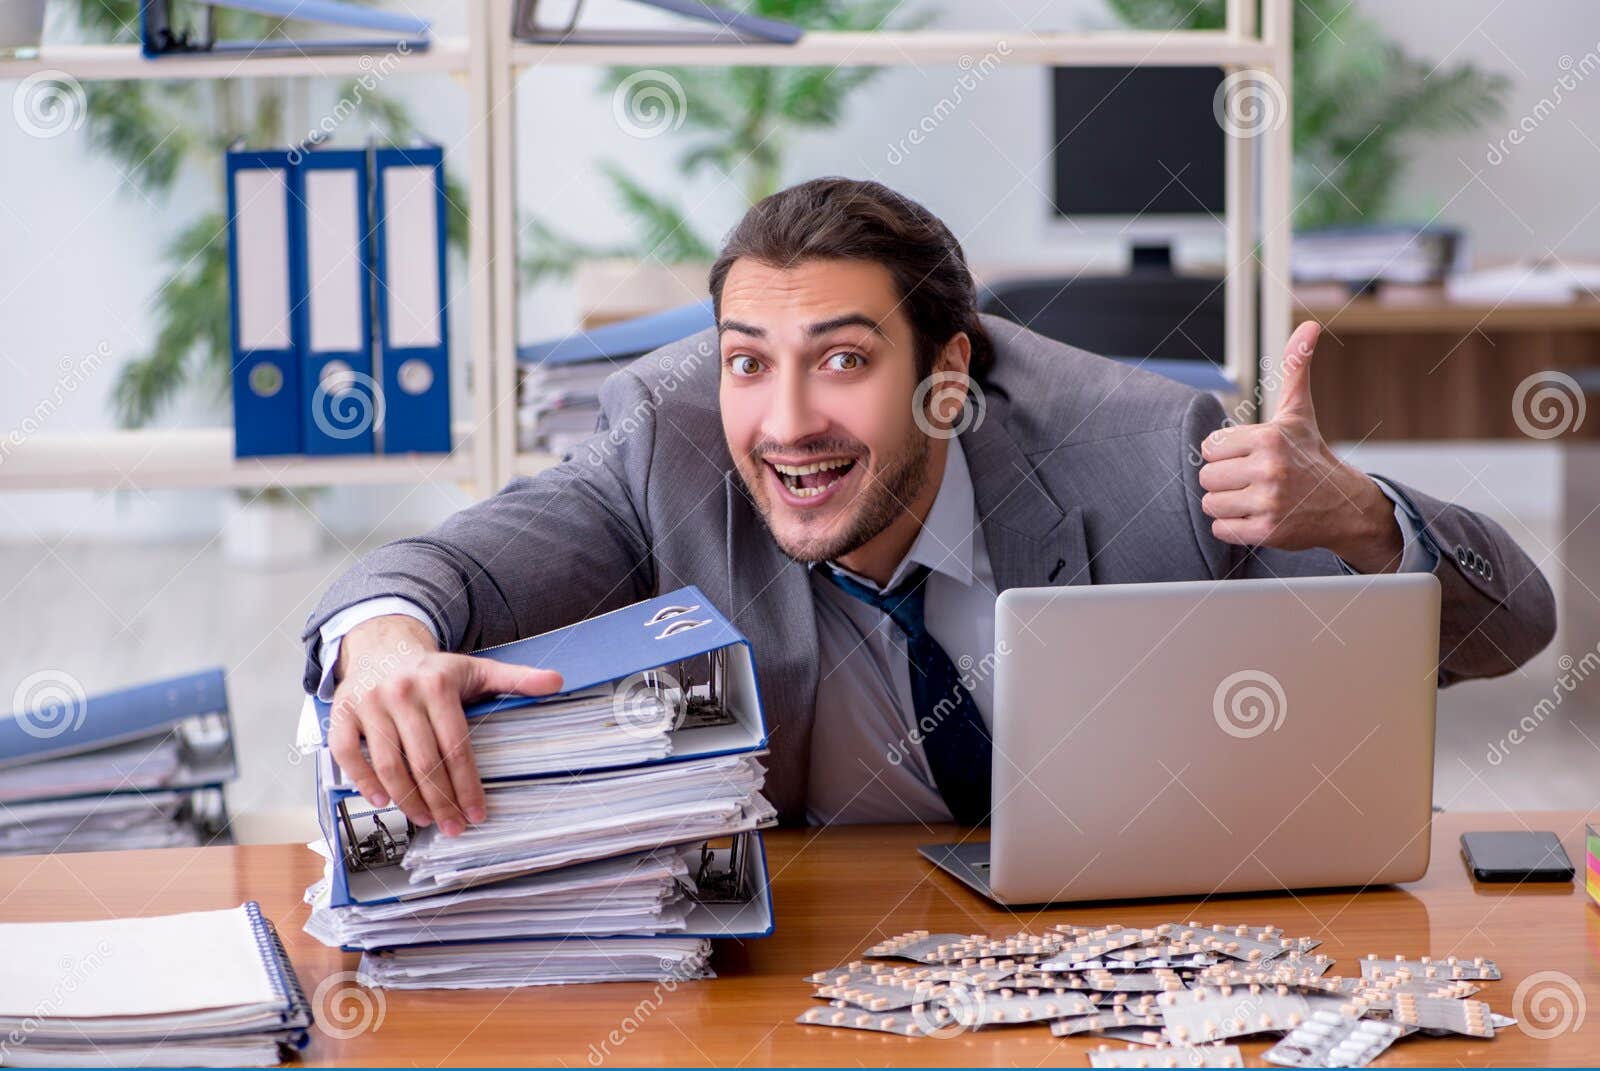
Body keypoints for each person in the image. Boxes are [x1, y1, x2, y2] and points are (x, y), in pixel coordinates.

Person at [302, 177, 1554, 833]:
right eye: (750, 361)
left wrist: (1360, 520)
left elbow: (1512, 630)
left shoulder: (1148, 462)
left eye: (843, 360)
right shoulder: (664, 454)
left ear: (948, 378)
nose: (785, 420)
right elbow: (433, 572)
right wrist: (386, 644)